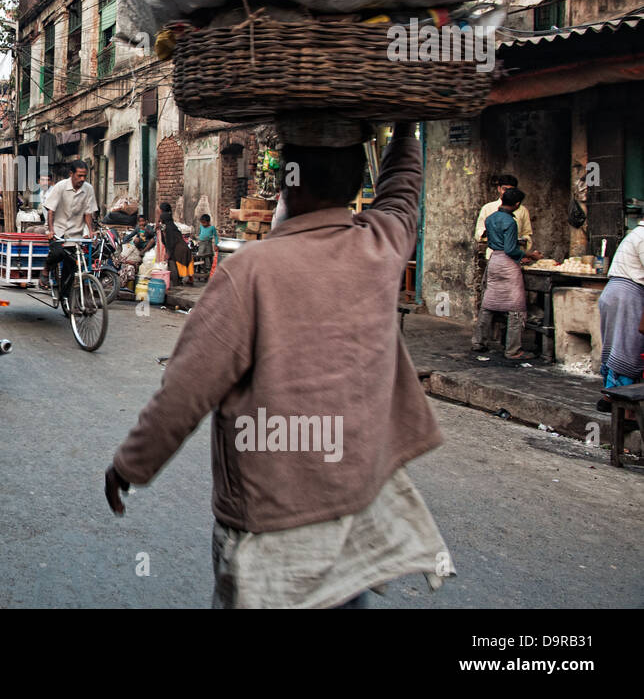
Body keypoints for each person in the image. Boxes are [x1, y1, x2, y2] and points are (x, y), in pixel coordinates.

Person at [105, 122, 452, 608]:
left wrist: (131, 464)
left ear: (289, 181)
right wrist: (404, 126)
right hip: (357, 510)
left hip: (268, 521)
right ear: (355, 185)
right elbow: (400, 193)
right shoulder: (381, 247)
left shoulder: (249, 272)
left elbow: (185, 391)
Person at [471, 187, 535, 360]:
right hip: (507, 264)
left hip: (494, 262)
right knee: (516, 307)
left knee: (488, 304)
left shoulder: (491, 218)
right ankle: (513, 350)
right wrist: (526, 255)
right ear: (516, 204)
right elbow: (510, 249)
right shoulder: (510, 222)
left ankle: (479, 342)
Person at [596, 224, 644, 406]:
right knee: (627, 348)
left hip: (617, 293)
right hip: (627, 296)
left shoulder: (637, 234)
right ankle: (619, 400)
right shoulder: (643, 236)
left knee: (617, 346)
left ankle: (611, 395)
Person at [38, 160, 98, 292]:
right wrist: (51, 230)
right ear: (71, 174)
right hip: (58, 230)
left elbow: (88, 212)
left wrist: (91, 231)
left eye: (84, 176)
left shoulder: (88, 189)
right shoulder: (60, 186)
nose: (82, 179)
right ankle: (46, 269)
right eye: (79, 176)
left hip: (75, 233)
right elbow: (51, 210)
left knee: (71, 269)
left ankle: (67, 300)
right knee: (58, 252)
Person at [158, 201, 193, 286]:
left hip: (178, 249)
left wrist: (168, 252)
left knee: (173, 265)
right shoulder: (171, 224)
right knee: (177, 265)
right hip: (183, 248)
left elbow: (169, 241)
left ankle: (177, 283)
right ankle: (181, 281)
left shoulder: (167, 226)